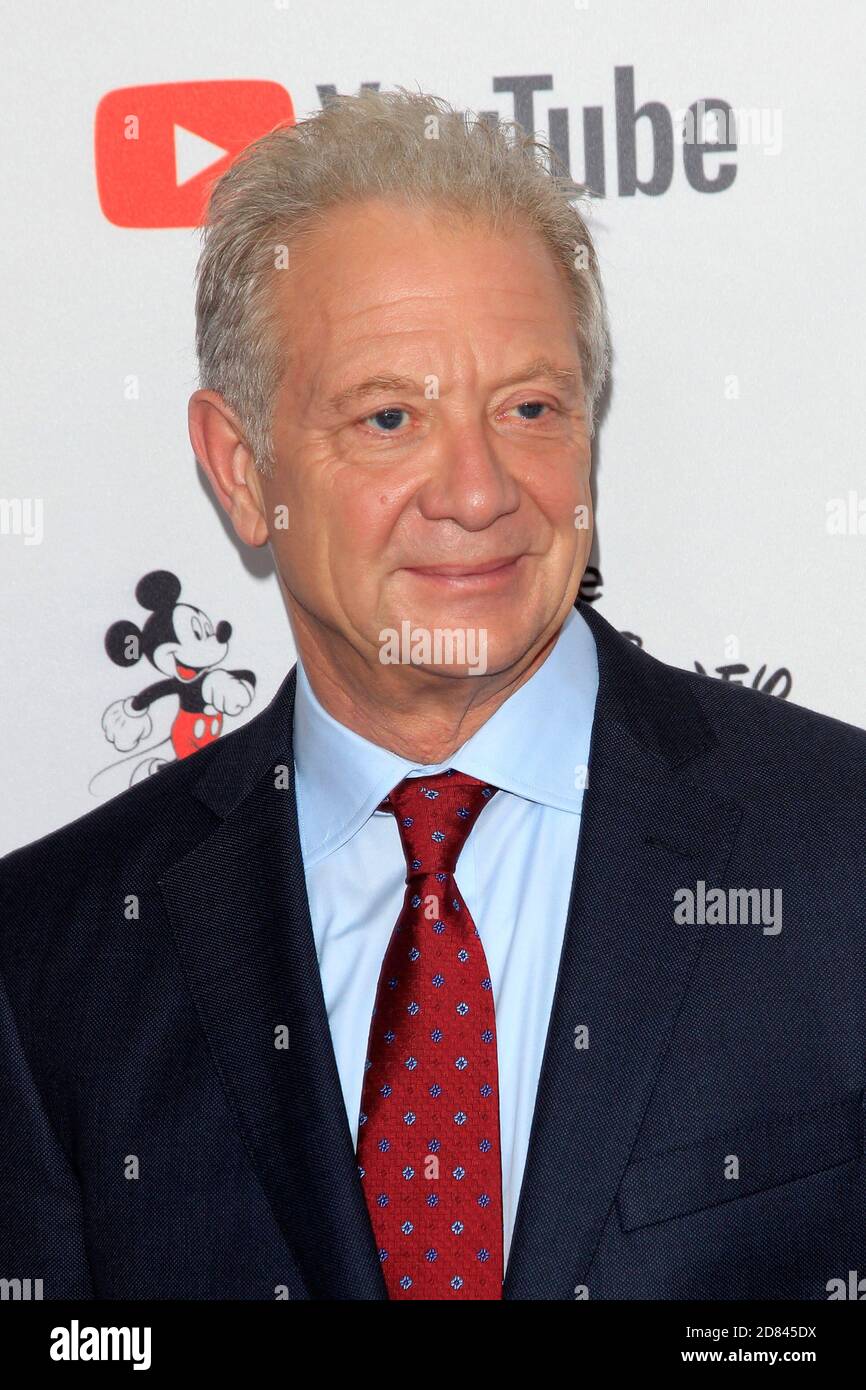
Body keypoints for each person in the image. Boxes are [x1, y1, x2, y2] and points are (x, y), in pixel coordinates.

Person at [2, 87, 864, 1301]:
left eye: (528, 408)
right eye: (389, 416)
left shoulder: (837, 855)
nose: (475, 490)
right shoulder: (48, 959)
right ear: (242, 473)